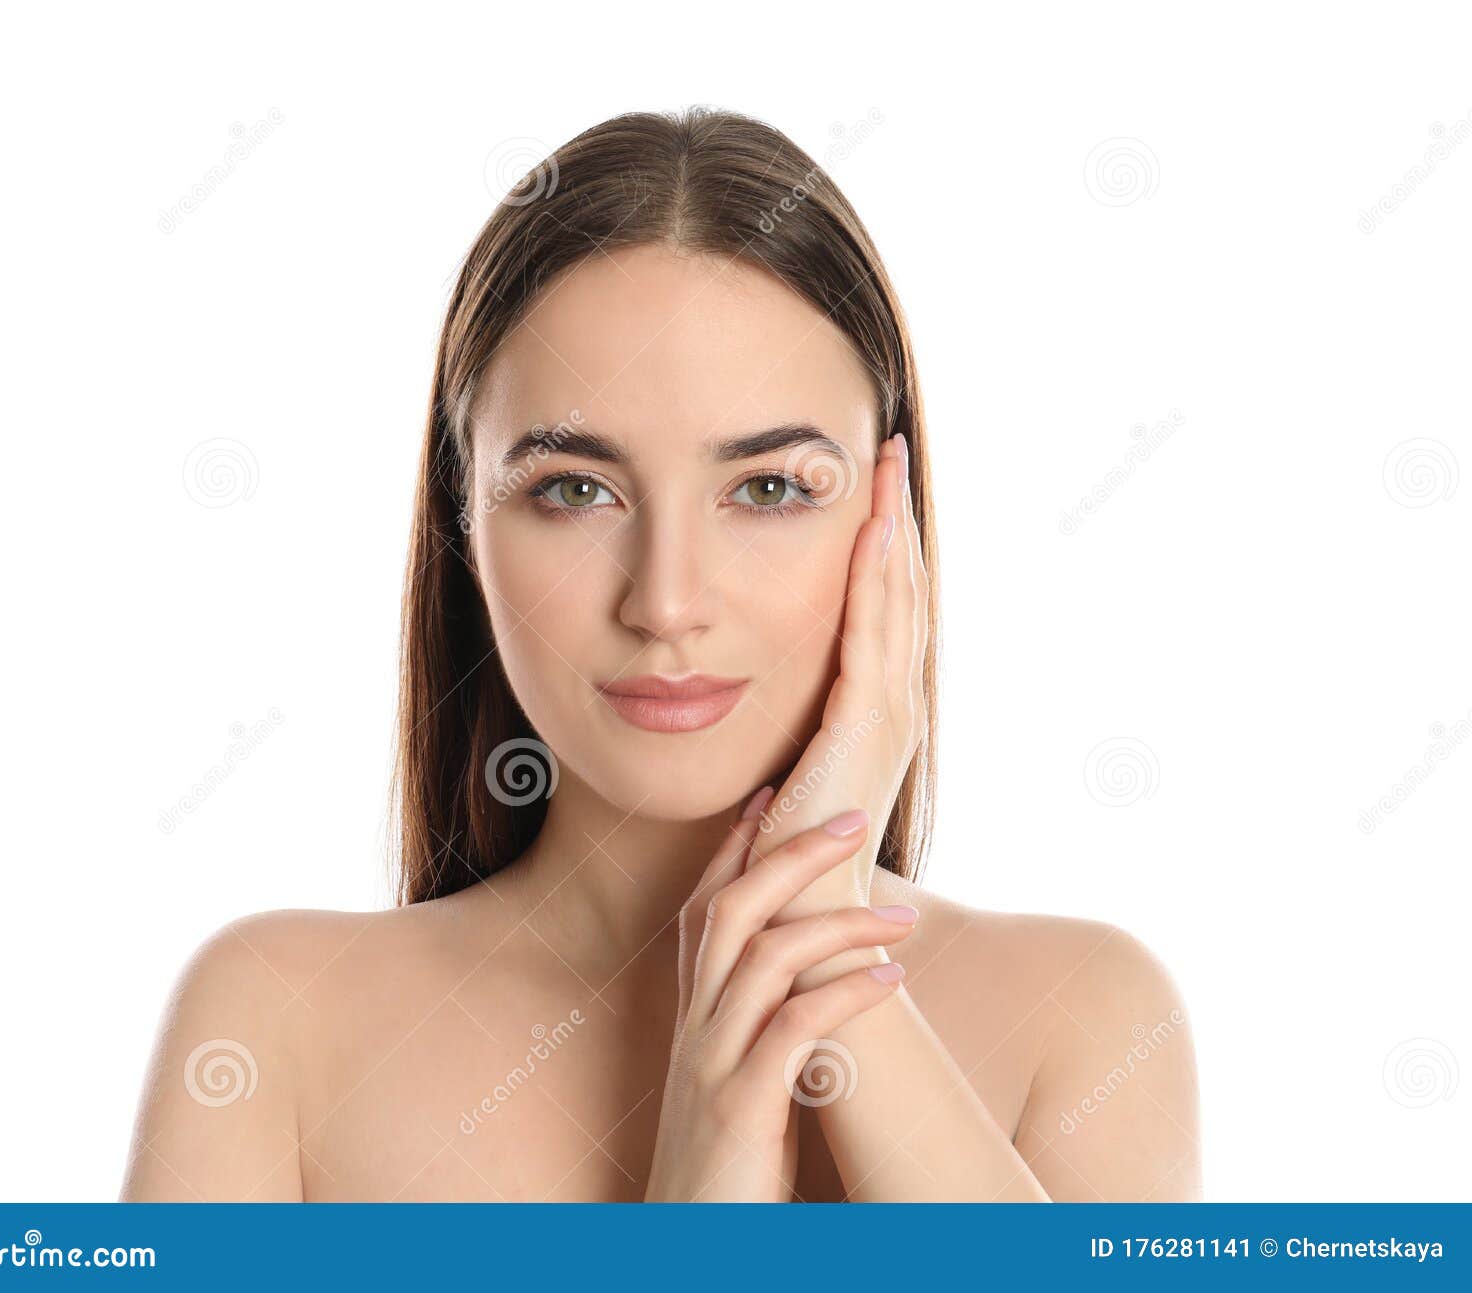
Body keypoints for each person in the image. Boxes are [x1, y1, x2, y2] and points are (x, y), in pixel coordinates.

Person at [121, 107, 1200, 1203]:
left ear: (891, 522)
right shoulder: (274, 1029)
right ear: (465, 523)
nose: (667, 601)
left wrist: (820, 930)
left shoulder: (1085, 1017)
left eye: (769, 488)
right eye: (574, 490)